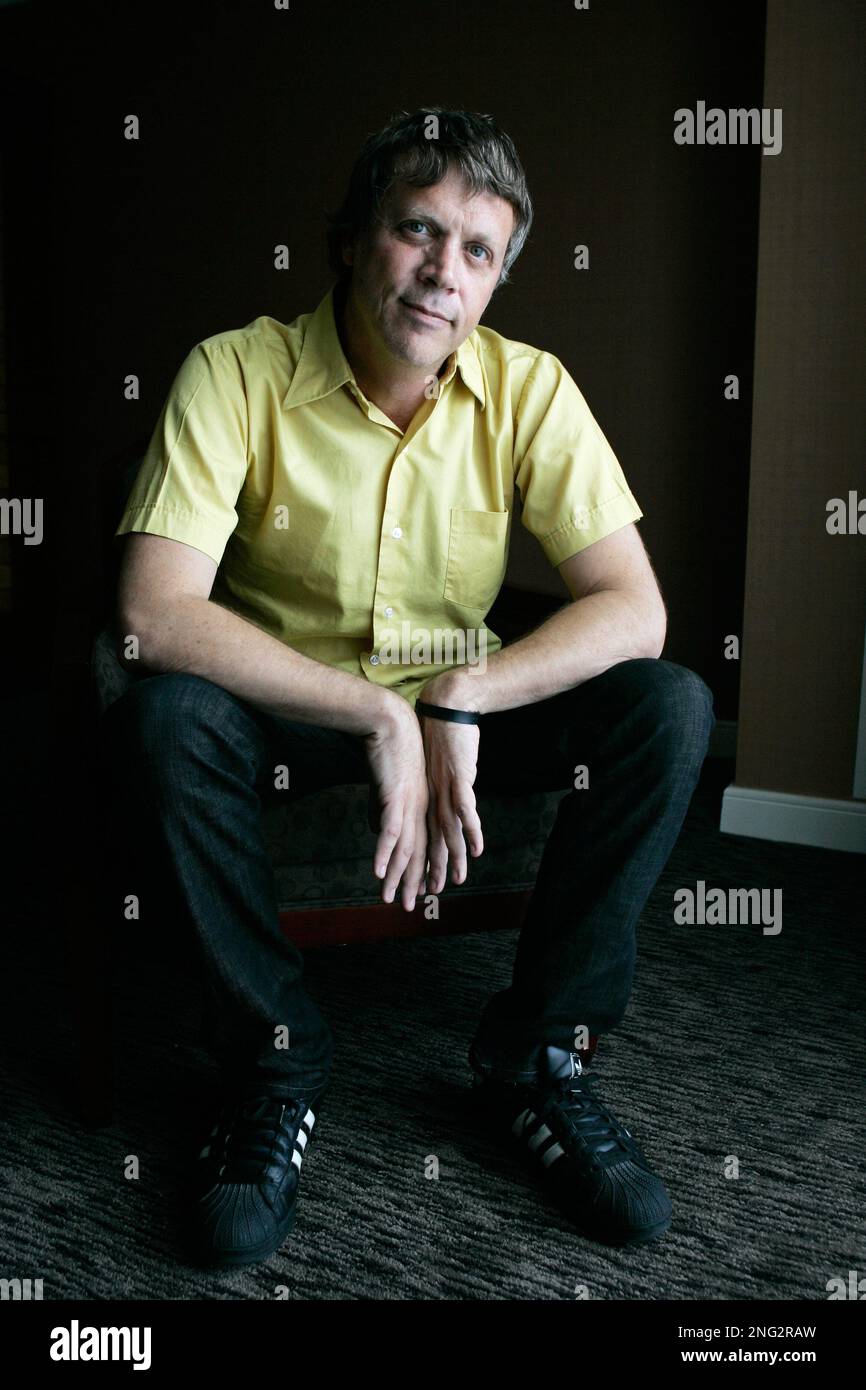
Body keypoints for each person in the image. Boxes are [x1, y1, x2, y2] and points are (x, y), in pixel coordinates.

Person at [99, 107, 715, 1268]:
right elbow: (150, 610)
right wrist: (375, 711)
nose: (443, 273)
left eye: (476, 251)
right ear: (352, 240)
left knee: (668, 703)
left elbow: (636, 608)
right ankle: (273, 1057)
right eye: (416, 232)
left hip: (457, 720)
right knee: (163, 716)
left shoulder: (531, 391)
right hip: (292, 713)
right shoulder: (236, 371)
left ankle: (536, 1056)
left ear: (493, 280)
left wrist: (458, 696)